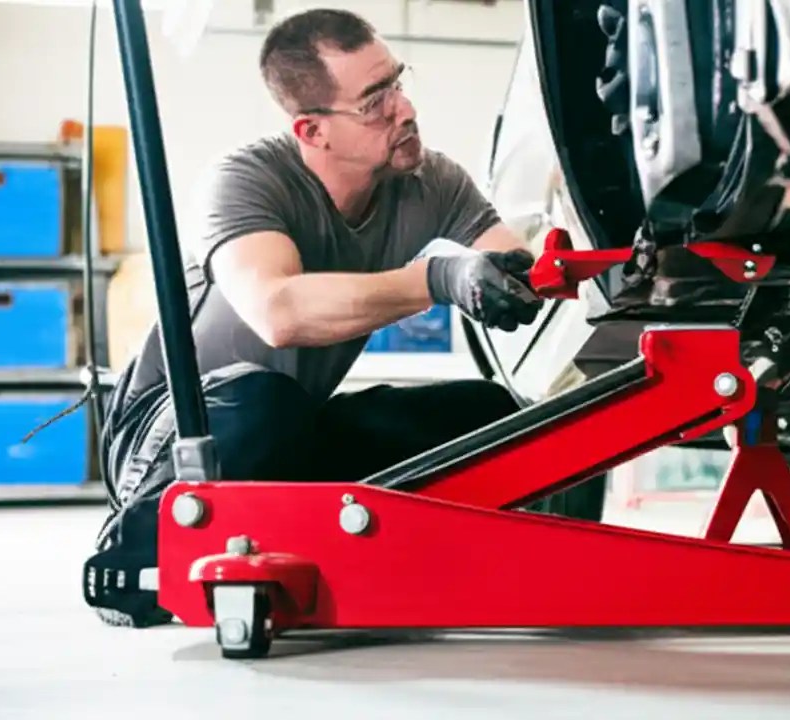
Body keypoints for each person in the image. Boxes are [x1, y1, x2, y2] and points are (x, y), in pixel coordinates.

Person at [85, 8, 544, 627]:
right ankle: (138, 555)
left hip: (296, 426)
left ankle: (486, 564)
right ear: (313, 129)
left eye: (398, 83)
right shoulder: (247, 180)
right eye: (374, 101)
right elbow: (279, 312)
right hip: (181, 428)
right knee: (262, 399)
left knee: (492, 413)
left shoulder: (429, 181)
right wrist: (437, 279)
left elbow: (518, 260)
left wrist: (567, 266)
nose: (403, 110)